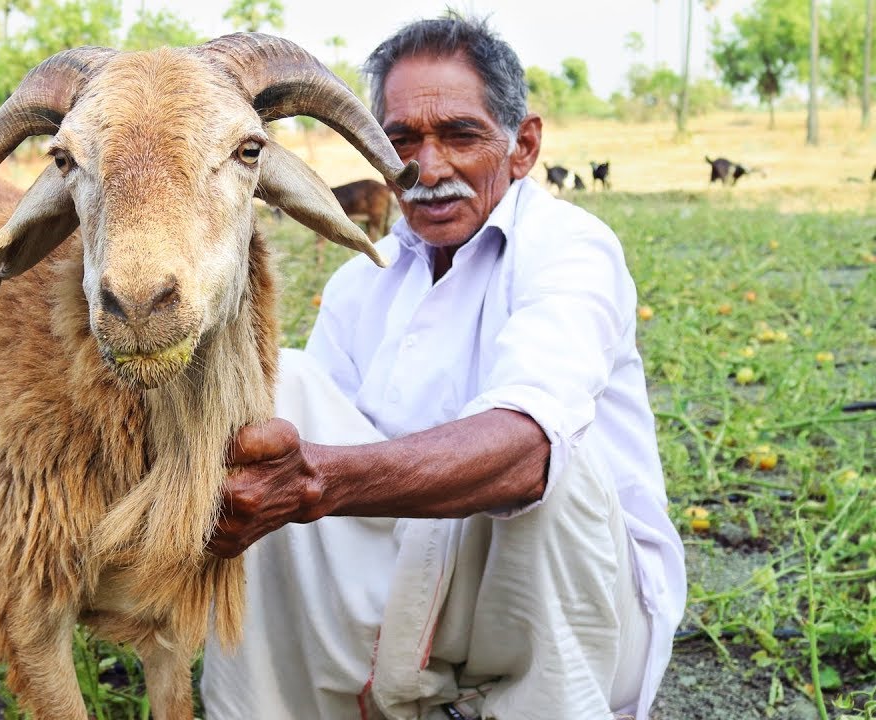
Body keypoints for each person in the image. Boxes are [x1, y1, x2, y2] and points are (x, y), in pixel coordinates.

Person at [200, 14, 685, 720]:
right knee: (282, 391)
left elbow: (527, 453)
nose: (427, 170)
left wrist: (315, 482)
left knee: (557, 455)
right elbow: (306, 469)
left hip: (572, 610)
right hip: (404, 587)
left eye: (460, 135)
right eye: (401, 141)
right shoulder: (362, 282)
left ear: (523, 147)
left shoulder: (571, 247)